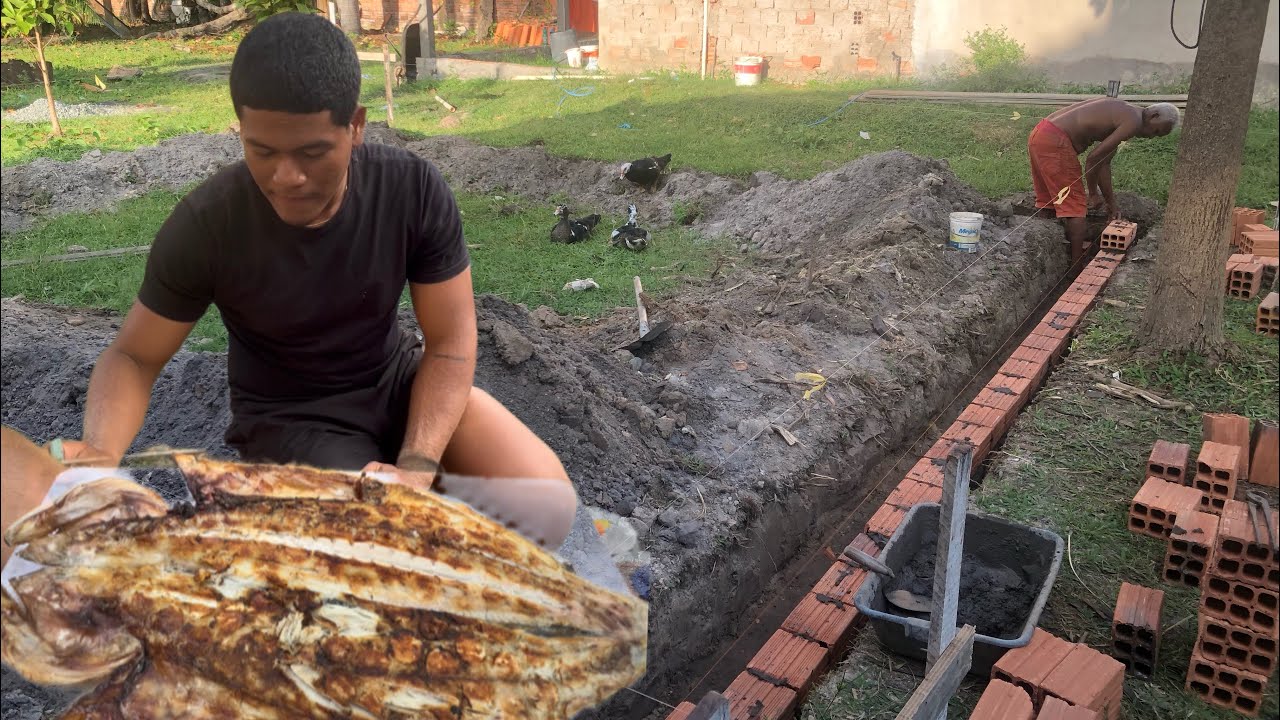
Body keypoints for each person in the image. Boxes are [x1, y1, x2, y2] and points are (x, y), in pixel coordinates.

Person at [4, 12, 577, 552]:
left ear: (355, 126)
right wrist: (103, 450)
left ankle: (416, 522)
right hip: (294, 419)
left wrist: (419, 464)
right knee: (369, 543)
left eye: (312, 152)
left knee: (547, 510)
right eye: (262, 151)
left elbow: (451, 344)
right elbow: (132, 355)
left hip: (397, 386)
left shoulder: (412, 190)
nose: (287, 178)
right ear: (241, 132)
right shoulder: (209, 224)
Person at [1027, 98, 1179, 262]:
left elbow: (1103, 163)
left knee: (1049, 200)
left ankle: (1039, 250)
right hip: (1055, 140)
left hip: (1041, 132)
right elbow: (1093, 159)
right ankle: (1076, 266)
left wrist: (1111, 204)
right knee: (1076, 206)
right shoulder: (1133, 121)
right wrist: (1092, 193)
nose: (1151, 137)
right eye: (1156, 131)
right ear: (1154, 115)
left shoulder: (1126, 112)